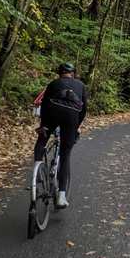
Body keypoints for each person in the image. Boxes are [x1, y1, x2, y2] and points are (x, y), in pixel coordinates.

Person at [33, 62, 88, 209]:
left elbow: (44, 105)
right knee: (65, 154)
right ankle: (61, 196)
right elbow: (83, 110)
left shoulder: (53, 83)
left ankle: (37, 170)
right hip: (71, 117)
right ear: (73, 74)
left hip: (51, 114)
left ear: (59, 74)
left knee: (41, 141)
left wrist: (43, 125)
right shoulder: (81, 85)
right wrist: (76, 127)